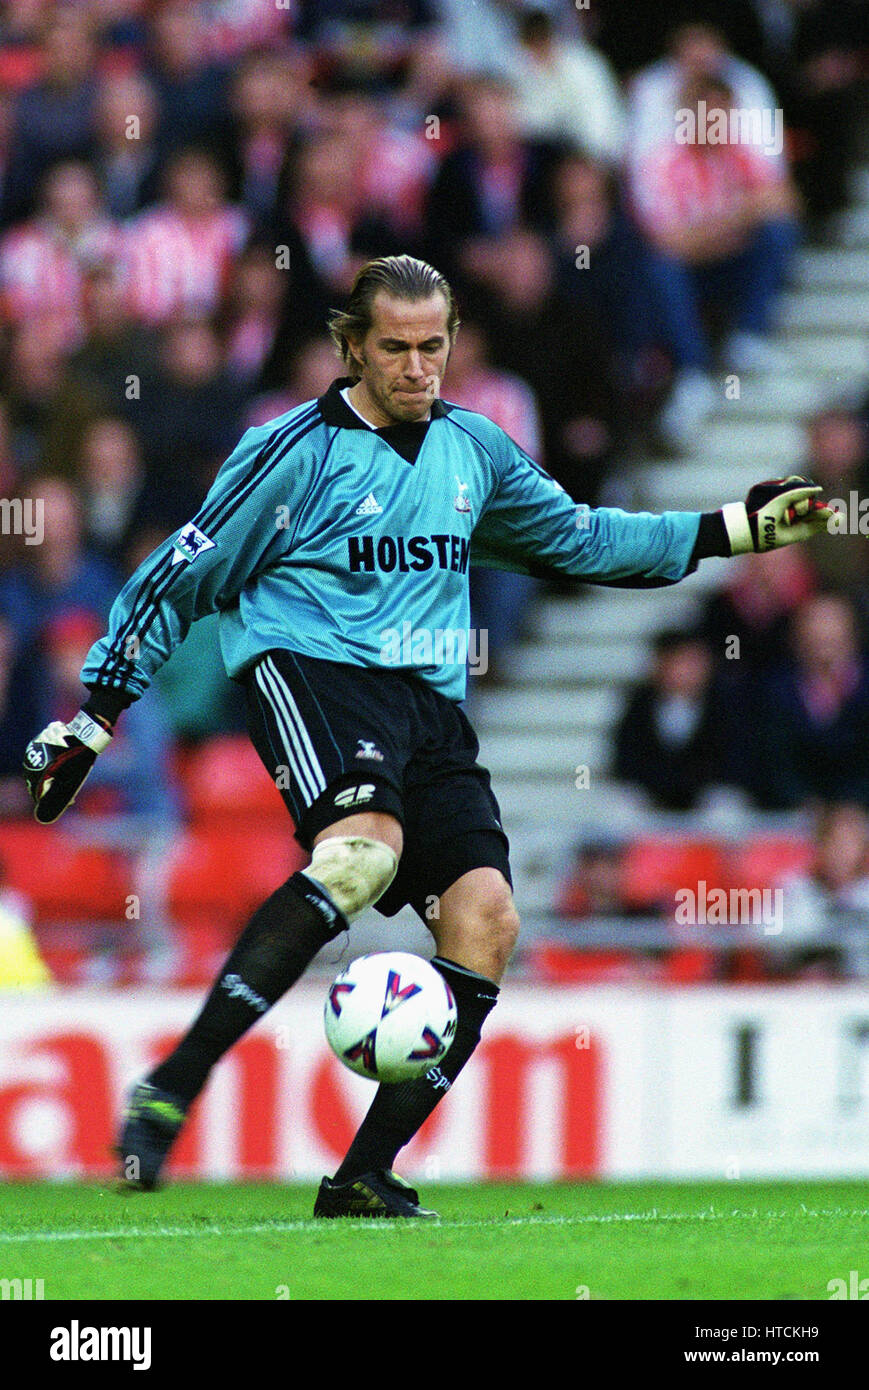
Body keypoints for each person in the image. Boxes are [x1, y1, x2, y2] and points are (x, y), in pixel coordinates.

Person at [22, 254, 832, 1219]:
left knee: (487, 921)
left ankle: (360, 1176)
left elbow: (583, 540)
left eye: (432, 347)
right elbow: (180, 575)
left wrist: (732, 528)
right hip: (313, 673)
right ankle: (173, 1086)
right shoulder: (290, 452)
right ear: (351, 349)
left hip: (429, 710)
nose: (416, 368)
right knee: (363, 855)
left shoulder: (472, 451)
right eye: (395, 348)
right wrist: (95, 712)